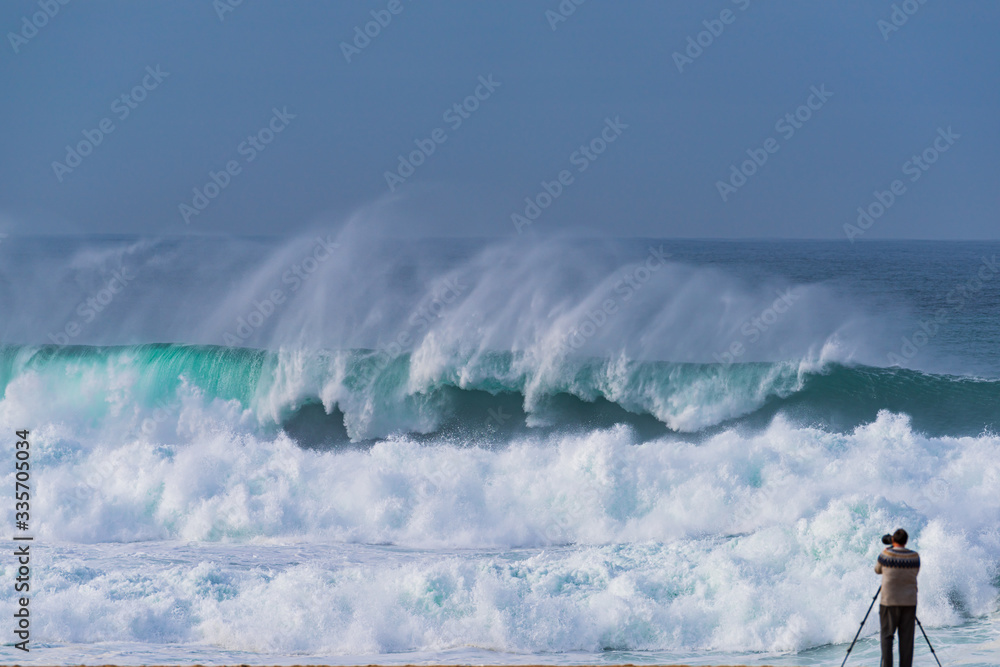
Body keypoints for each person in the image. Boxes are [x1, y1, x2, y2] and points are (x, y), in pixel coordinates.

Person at [875, 528, 920, 667]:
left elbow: (878, 570)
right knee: (906, 639)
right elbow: (915, 572)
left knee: (887, 636)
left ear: (893, 540)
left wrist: (889, 549)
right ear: (906, 541)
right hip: (909, 602)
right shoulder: (914, 556)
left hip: (889, 602)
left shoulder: (886, 554)